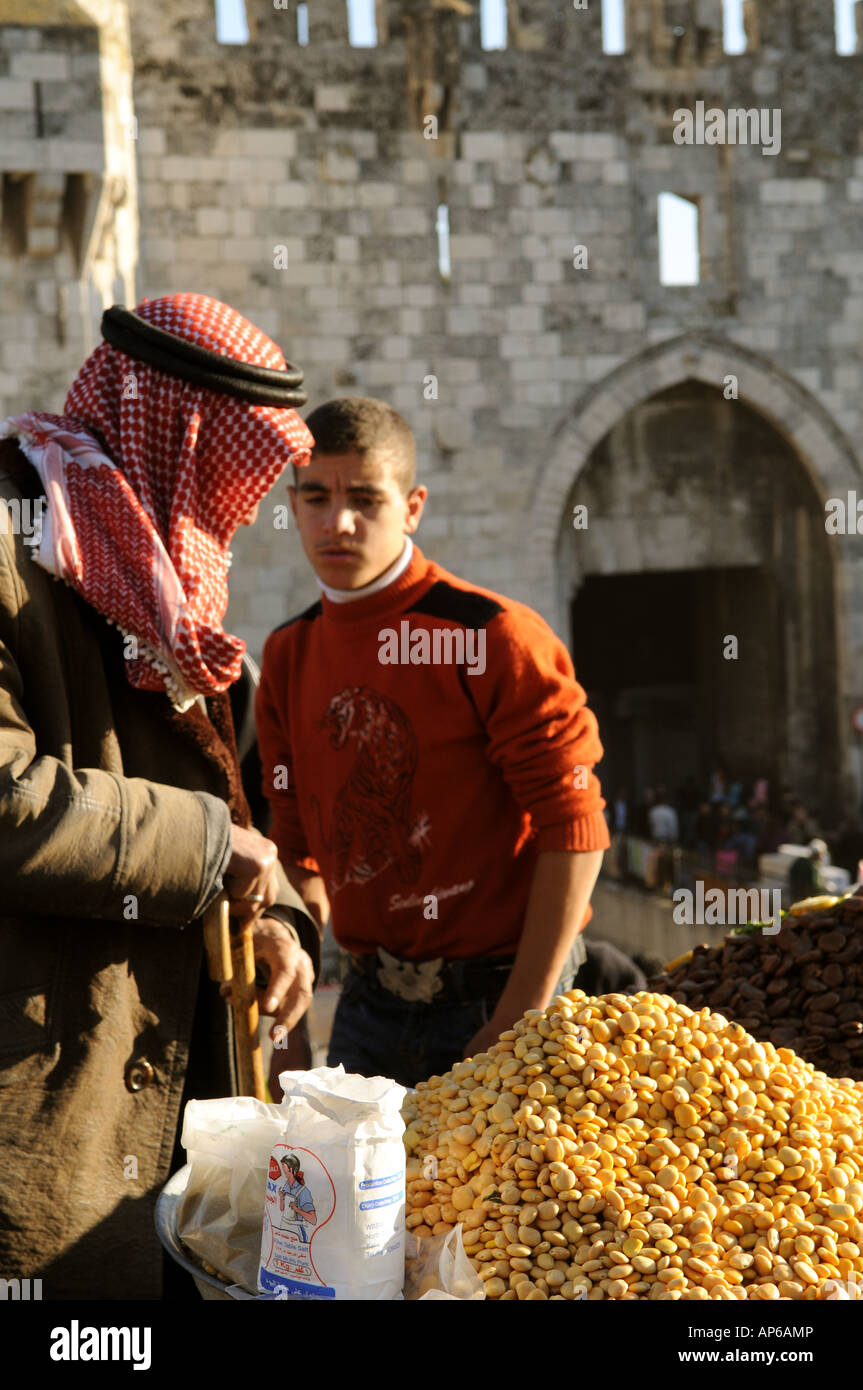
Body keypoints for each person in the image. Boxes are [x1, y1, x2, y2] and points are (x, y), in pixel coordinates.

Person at [0, 294, 321, 1300]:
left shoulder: (168, 583)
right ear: (178, 429)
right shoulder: (16, 540)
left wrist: (280, 921)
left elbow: (234, 798)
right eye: (232, 469)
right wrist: (208, 848)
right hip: (48, 1086)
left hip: (187, 1102)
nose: (233, 506)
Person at [256, 397, 644, 1088]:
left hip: (507, 995)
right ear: (291, 503)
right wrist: (287, 1010)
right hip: (368, 1007)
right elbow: (298, 851)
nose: (336, 523)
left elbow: (576, 826)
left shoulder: (492, 635)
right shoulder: (288, 654)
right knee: (357, 1198)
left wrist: (519, 1017)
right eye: (315, 497)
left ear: (412, 508)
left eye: (366, 500)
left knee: (517, 1197)